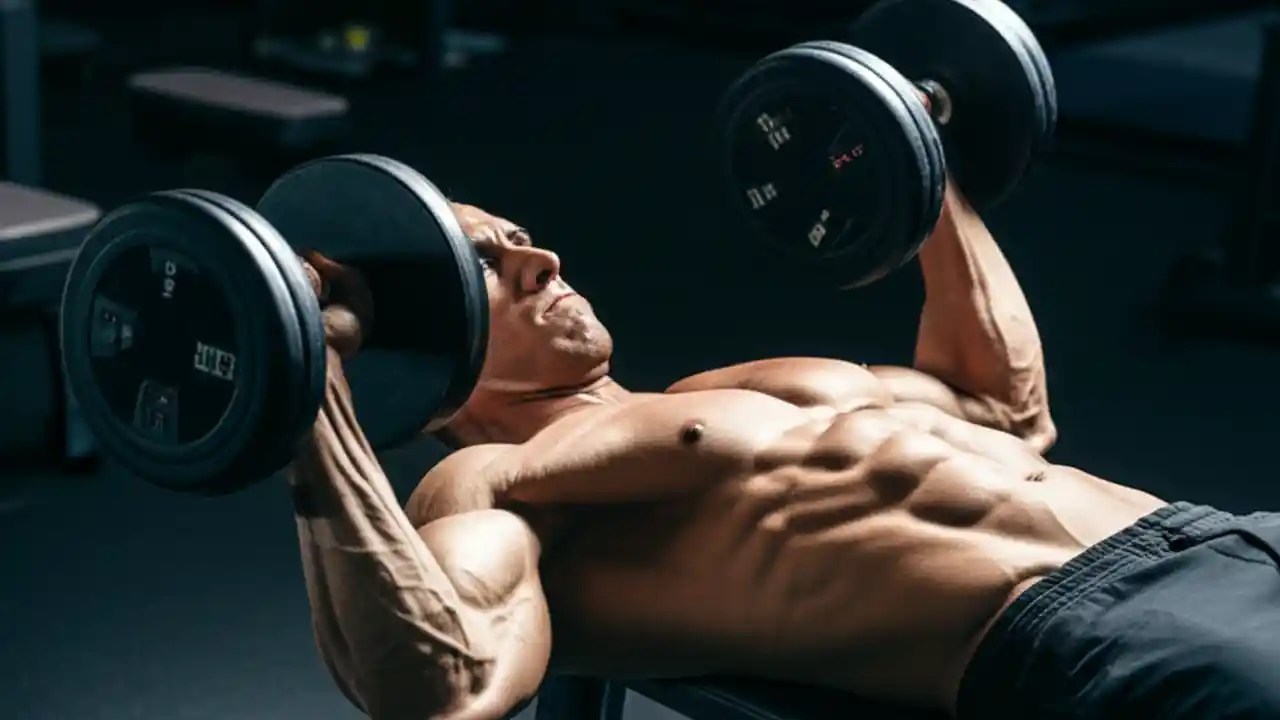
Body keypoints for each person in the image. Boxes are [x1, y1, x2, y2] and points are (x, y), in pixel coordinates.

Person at [287, 181, 1280, 720]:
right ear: (412, 349)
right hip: (1106, 644)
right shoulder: (491, 479)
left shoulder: (731, 388)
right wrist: (313, 394)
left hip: (1221, 542)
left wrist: (923, 179)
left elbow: (1001, 408)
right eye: (489, 264)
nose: (542, 259)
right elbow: (441, 686)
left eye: (523, 237)